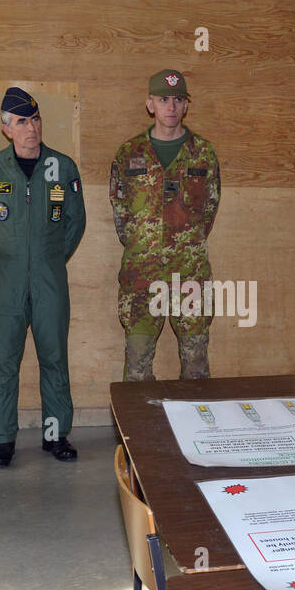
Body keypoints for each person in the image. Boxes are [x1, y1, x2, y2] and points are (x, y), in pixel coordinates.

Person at [0, 87, 86, 467]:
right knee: (3, 362)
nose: (31, 128)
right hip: (5, 283)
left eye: (35, 119)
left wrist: (49, 259)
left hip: (50, 282)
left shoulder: (62, 167)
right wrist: (9, 258)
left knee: (54, 359)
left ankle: (55, 436)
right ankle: (4, 440)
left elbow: (74, 222)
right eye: (21, 122)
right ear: (7, 129)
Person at [109, 69, 221, 380]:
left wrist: (182, 244)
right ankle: (140, 430)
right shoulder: (130, 153)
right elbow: (121, 213)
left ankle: (197, 429)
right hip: (142, 277)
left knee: (196, 367)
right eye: (163, 99)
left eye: (177, 100)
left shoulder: (203, 153)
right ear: (150, 105)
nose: (170, 107)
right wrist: (147, 246)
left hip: (191, 275)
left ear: (186, 106)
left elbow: (210, 209)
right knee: (137, 368)